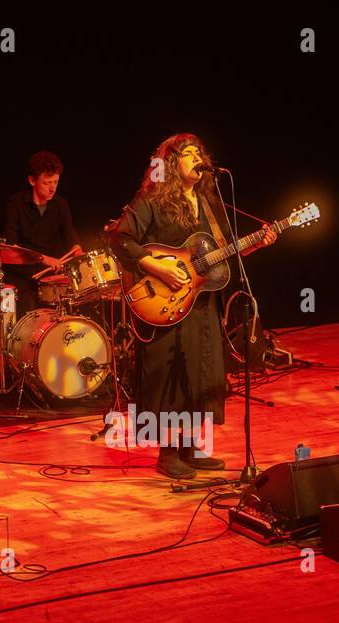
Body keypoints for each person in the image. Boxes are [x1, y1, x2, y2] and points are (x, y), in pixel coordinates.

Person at [106, 133, 275, 478]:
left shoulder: (210, 202)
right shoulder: (151, 199)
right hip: (165, 299)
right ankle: (167, 453)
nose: (198, 157)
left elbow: (226, 250)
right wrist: (157, 265)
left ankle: (192, 447)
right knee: (168, 375)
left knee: (203, 373)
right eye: (189, 153)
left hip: (201, 302)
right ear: (171, 163)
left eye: (200, 152)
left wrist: (258, 243)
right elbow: (119, 238)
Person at [2, 151, 83, 316]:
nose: (53, 188)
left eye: (56, 182)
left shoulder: (61, 204)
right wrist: (44, 259)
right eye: (47, 183)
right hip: (18, 275)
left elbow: (69, 234)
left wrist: (77, 249)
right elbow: (11, 245)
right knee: (19, 308)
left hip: (48, 276)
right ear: (32, 180)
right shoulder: (15, 204)